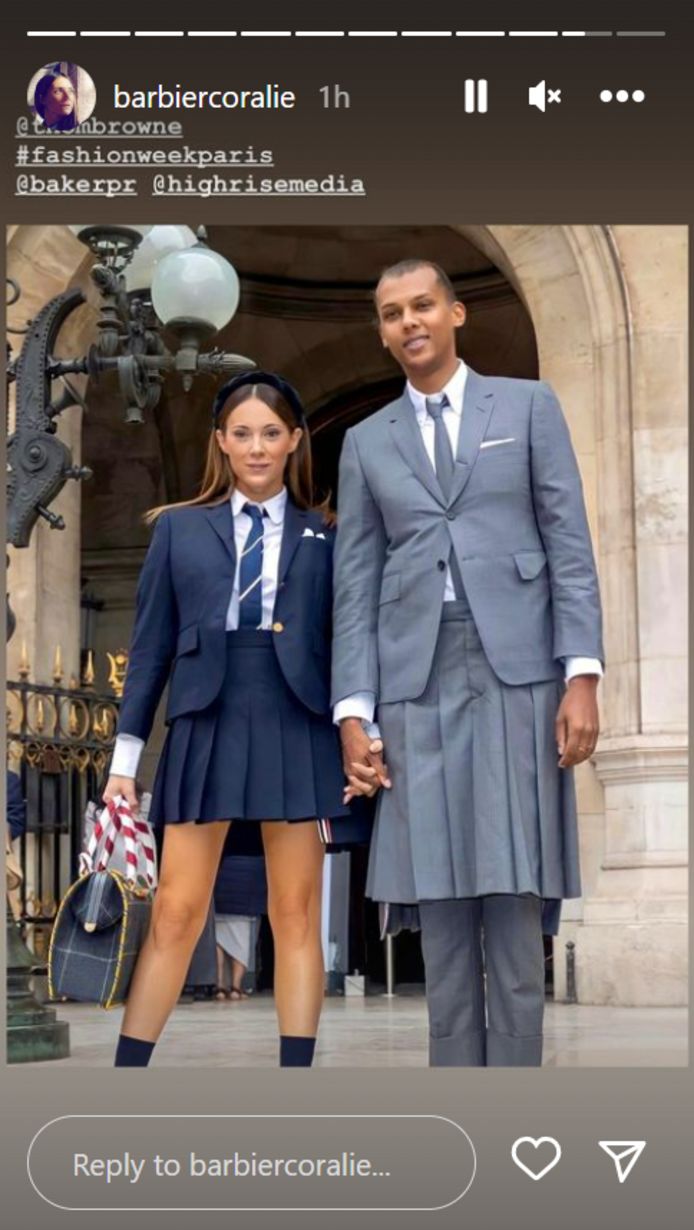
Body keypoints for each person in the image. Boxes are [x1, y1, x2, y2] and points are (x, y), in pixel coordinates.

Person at [331, 259, 603, 1067]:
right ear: (382, 333)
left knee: (515, 884)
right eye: (392, 313)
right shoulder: (364, 441)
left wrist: (582, 673)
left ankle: (513, 1090)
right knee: (439, 888)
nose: (409, 321)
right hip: (414, 679)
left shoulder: (528, 405)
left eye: (422, 305)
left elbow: (569, 543)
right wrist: (353, 711)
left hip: (521, 671)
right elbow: (355, 584)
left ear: (455, 313)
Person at [104, 371, 371, 1068]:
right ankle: (126, 1076)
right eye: (243, 434)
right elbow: (149, 649)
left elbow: (350, 640)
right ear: (221, 442)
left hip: (297, 719)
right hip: (205, 720)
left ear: (294, 441)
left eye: (271, 434)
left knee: (295, 912)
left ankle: (295, 1080)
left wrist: (361, 730)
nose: (257, 448)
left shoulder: (327, 533)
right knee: (175, 910)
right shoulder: (177, 529)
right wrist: (124, 764)